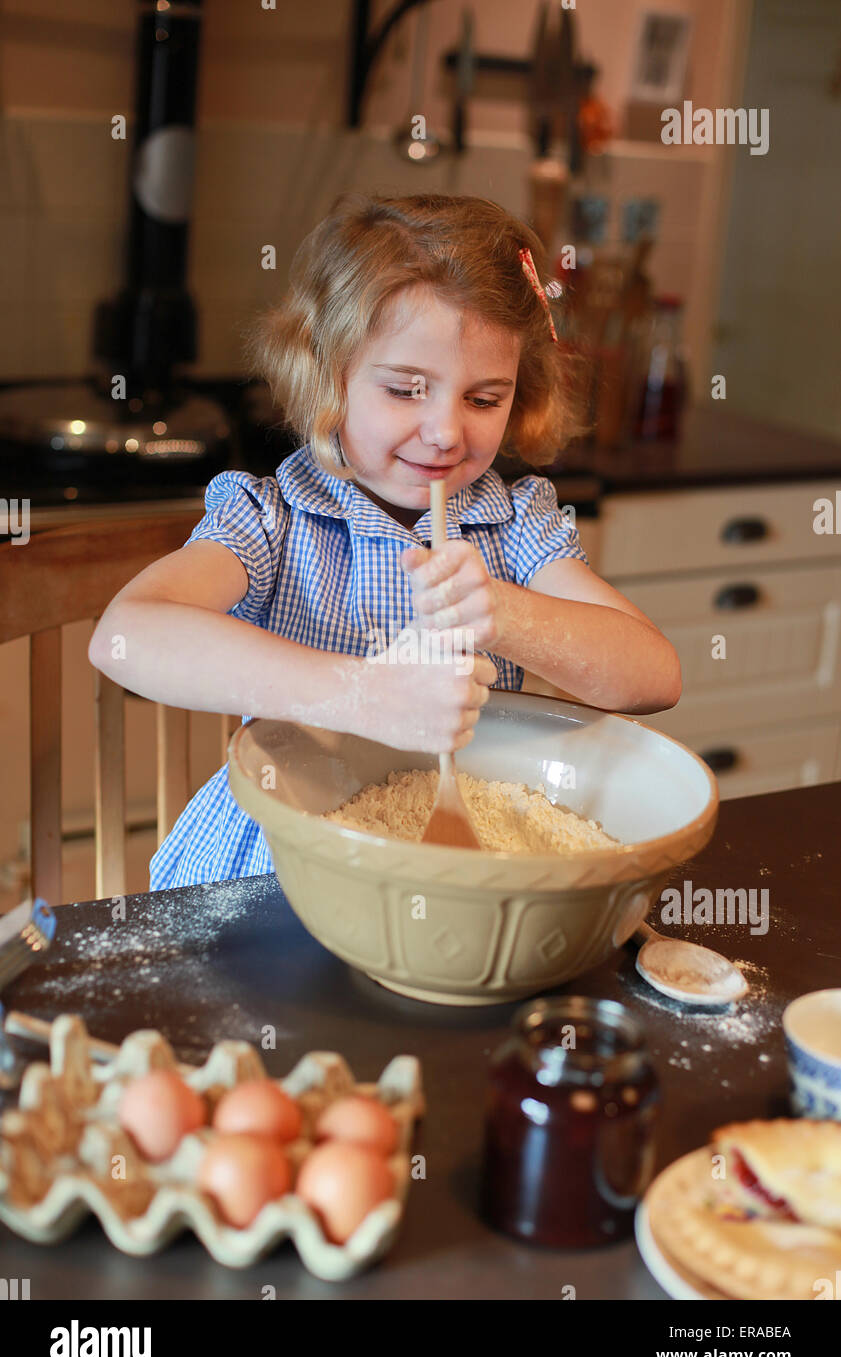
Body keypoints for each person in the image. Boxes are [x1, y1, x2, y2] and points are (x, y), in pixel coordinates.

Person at [88, 194, 681, 891]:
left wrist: (506, 612)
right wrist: (361, 694)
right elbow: (125, 638)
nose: (445, 431)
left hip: (458, 864)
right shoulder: (273, 518)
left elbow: (653, 679)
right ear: (327, 375)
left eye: (484, 399)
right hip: (281, 866)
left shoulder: (516, 526)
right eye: (405, 390)